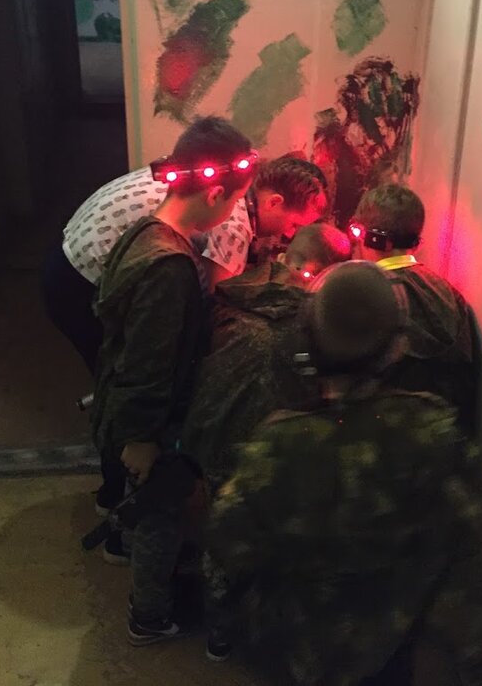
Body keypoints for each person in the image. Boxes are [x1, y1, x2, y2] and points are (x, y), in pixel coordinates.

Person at [207, 262, 482, 685]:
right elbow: (475, 553)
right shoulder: (432, 434)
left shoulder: (279, 444)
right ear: (397, 345)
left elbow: (229, 543)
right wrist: (476, 655)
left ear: (308, 339)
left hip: (298, 656)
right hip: (393, 655)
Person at [89, 137, 255, 646]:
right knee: (160, 509)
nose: (233, 212)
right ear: (215, 194)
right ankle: (151, 616)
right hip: (149, 422)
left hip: (124, 404)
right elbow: (149, 363)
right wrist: (142, 437)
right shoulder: (169, 269)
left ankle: (129, 551)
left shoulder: (144, 231)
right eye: (236, 200)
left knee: (145, 502)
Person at [182, 223, 351, 662]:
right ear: (318, 271)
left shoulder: (235, 291)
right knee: (273, 537)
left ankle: (219, 634)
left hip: (212, 430)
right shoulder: (313, 322)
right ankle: (268, 635)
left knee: (222, 535)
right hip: (272, 445)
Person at [43, 120, 328, 378]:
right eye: (293, 224)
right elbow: (218, 304)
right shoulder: (233, 221)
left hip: (68, 247)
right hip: (77, 282)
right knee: (118, 372)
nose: (289, 235)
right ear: (274, 202)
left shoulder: (218, 175)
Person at [348, 184, 482, 431]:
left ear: (375, 239)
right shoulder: (449, 294)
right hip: (440, 436)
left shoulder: (361, 296)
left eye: (358, 232)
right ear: (417, 242)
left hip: (378, 436)